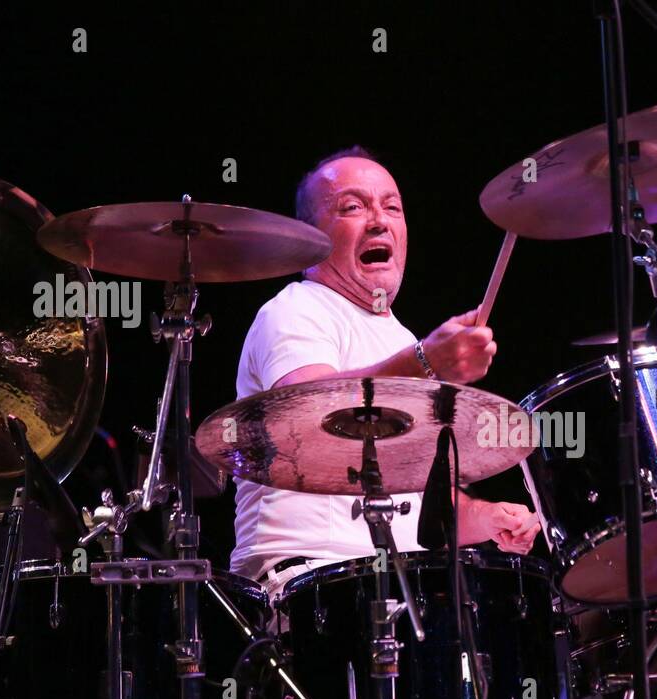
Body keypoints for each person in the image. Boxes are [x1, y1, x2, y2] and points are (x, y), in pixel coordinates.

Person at [230, 146, 539, 597]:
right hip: (303, 583)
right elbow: (308, 417)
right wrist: (425, 364)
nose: (380, 220)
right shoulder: (295, 309)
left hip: (396, 583)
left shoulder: (401, 340)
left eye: (392, 207)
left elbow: (420, 503)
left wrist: (488, 517)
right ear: (308, 238)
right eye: (352, 207)